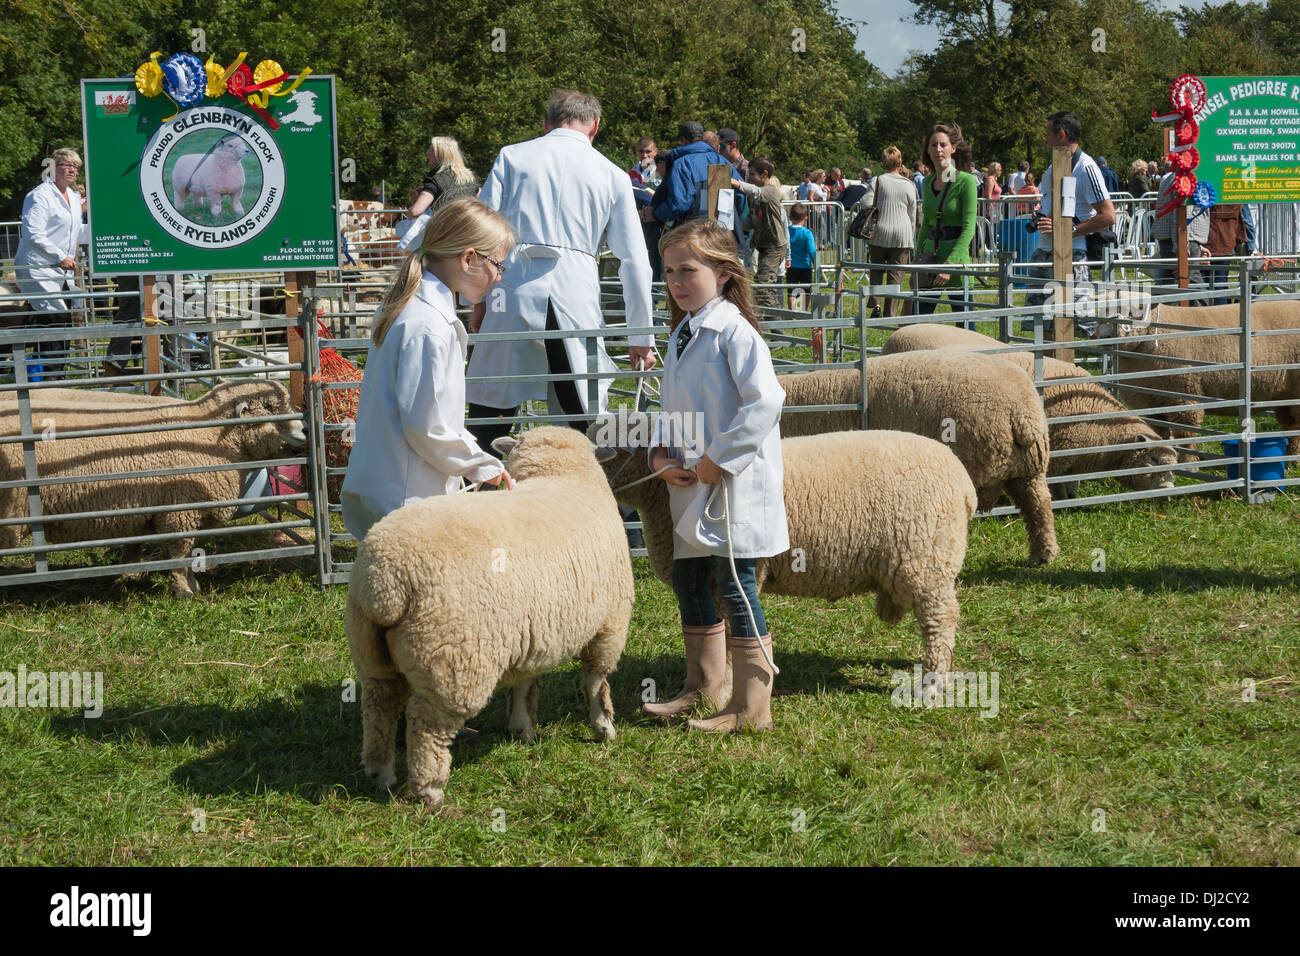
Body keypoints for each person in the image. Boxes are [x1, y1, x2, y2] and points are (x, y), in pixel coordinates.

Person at [644, 218, 788, 732]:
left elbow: (766, 401)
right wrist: (660, 455)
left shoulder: (734, 331)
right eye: (668, 272)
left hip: (731, 483)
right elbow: (672, 407)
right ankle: (704, 686)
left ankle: (752, 708)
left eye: (688, 270)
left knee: (734, 581)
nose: (676, 281)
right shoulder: (684, 330)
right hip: (689, 481)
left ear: (724, 273)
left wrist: (718, 459)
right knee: (689, 579)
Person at [466, 89, 655, 452]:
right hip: (575, 292)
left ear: (546, 123)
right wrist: (639, 335)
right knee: (579, 408)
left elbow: (482, 233)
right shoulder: (613, 174)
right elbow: (634, 261)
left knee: (493, 404)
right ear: (595, 126)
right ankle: (589, 492)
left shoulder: (512, 157)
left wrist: (477, 299)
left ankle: (481, 493)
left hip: (513, 285)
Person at [340, 199, 514, 541]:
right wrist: (483, 465)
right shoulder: (427, 325)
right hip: (409, 502)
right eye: (498, 265)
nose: (499, 277)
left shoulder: (407, 305)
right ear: (468, 258)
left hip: (389, 487)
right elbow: (427, 427)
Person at [1023, 111, 1115, 336]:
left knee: (1075, 326)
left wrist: (1068, 231)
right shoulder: (1055, 165)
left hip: (1072, 255)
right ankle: (1046, 369)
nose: (1045, 139)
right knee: (1041, 324)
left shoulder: (1086, 166)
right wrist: (1042, 214)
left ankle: (1071, 370)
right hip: (1043, 252)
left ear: (1061, 135)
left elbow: (1108, 216)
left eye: (1048, 134)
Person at [14, 148, 84, 368]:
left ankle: (48, 374)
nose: (72, 170)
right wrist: (60, 255)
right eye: (66, 165)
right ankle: (49, 378)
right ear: (53, 168)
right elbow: (33, 232)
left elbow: (76, 231)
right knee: (54, 318)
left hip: (61, 270)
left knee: (58, 319)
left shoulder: (73, 197)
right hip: (39, 266)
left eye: (75, 166)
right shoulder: (39, 195)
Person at [913, 123, 978, 319]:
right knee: (919, 324)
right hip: (930, 261)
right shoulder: (926, 181)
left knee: (965, 329)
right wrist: (917, 262)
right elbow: (926, 224)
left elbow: (969, 228)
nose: (938, 150)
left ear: (953, 148)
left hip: (956, 263)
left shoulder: (965, 181)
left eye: (943, 144)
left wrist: (951, 265)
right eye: (933, 145)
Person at [867, 146, 919, 319]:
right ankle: (890, 313)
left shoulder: (877, 180)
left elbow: (867, 202)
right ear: (900, 162)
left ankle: (876, 303)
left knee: (876, 269)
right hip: (902, 233)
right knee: (896, 274)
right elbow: (912, 213)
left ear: (883, 162)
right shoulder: (909, 184)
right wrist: (910, 235)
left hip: (880, 230)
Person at [730, 157, 787, 310]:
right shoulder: (756, 196)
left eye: (753, 174)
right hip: (763, 245)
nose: (749, 177)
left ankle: (775, 323)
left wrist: (736, 183)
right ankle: (766, 317)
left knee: (763, 284)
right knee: (763, 284)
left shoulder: (770, 191)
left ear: (764, 174)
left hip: (775, 246)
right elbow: (750, 222)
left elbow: (755, 191)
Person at [629, 136, 664, 280]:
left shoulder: (661, 172)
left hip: (657, 223)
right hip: (637, 222)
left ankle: (655, 294)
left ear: (655, 151)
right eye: (641, 152)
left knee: (655, 260)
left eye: (648, 152)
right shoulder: (631, 174)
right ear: (636, 152)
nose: (645, 155)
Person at [1204, 203, 1249, 304]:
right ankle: (1221, 314)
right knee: (1220, 284)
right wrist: (1249, 244)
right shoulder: (1232, 195)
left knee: (1203, 285)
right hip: (1226, 243)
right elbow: (1245, 219)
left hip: (1207, 244)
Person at [786, 203, 816, 307]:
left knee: (791, 291)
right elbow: (812, 250)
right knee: (806, 290)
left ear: (790, 217)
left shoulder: (787, 231)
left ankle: (793, 313)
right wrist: (815, 263)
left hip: (791, 265)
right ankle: (803, 310)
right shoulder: (807, 233)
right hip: (805, 265)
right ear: (806, 218)